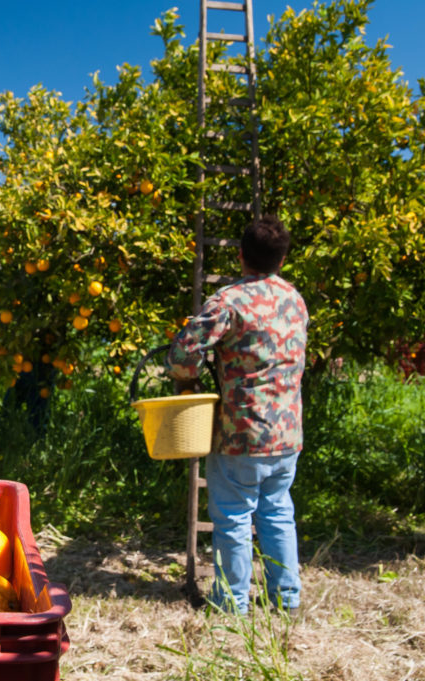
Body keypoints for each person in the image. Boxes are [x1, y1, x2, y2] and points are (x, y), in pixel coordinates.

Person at [165, 215, 308, 615]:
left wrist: (188, 380)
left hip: (241, 433)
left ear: (241, 255)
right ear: (282, 260)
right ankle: (286, 599)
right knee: (278, 512)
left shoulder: (228, 301)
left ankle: (232, 604)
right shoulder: (295, 299)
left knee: (232, 516)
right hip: (288, 434)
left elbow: (182, 353)